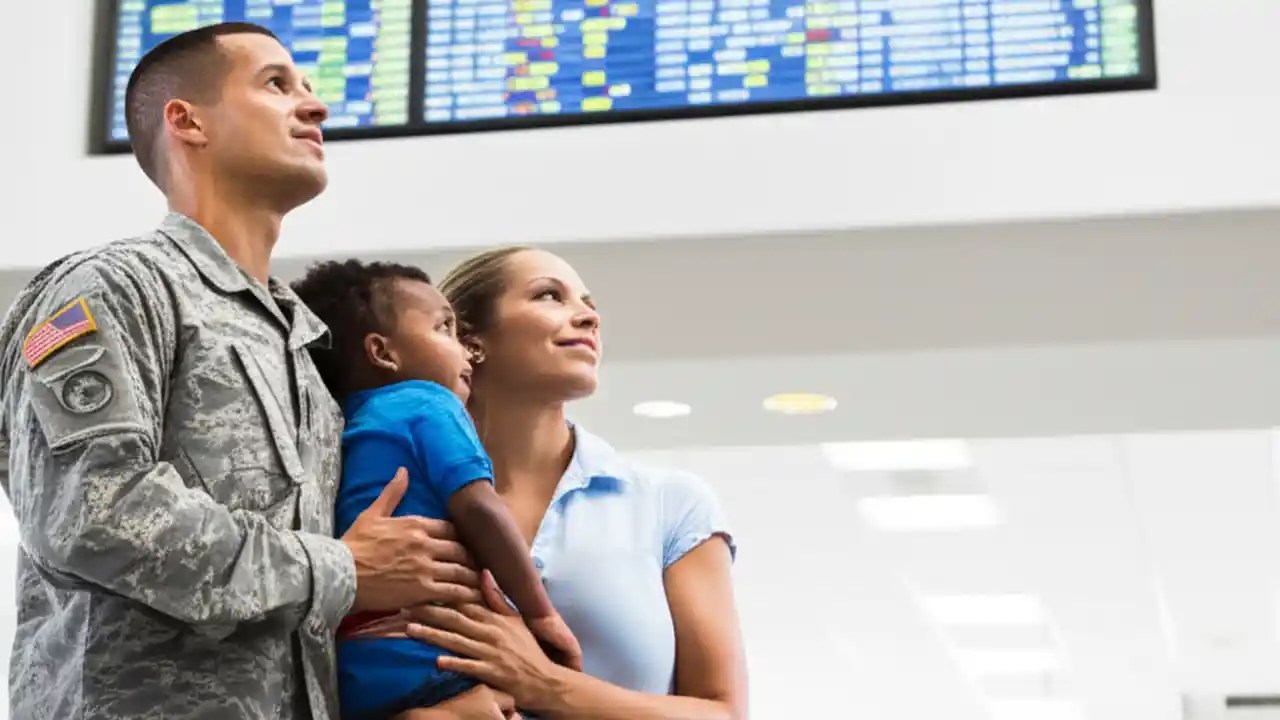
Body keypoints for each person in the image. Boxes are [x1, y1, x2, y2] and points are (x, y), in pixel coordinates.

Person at [0, 23, 478, 720]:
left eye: (309, 89)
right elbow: (91, 516)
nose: (314, 107)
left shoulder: (309, 353)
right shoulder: (112, 288)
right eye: (277, 84)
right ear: (186, 121)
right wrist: (340, 569)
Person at [402, 247, 750, 719]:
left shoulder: (672, 504)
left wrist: (544, 684)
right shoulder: (398, 500)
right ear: (470, 340)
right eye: (550, 296)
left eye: (588, 303)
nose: (588, 317)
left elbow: (724, 713)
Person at [290, 260, 582, 719]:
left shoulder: (346, 427)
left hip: (358, 668)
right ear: (383, 353)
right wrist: (540, 615)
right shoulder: (428, 402)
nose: (464, 350)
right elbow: (481, 510)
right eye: (445, 328)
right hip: (432, 655)